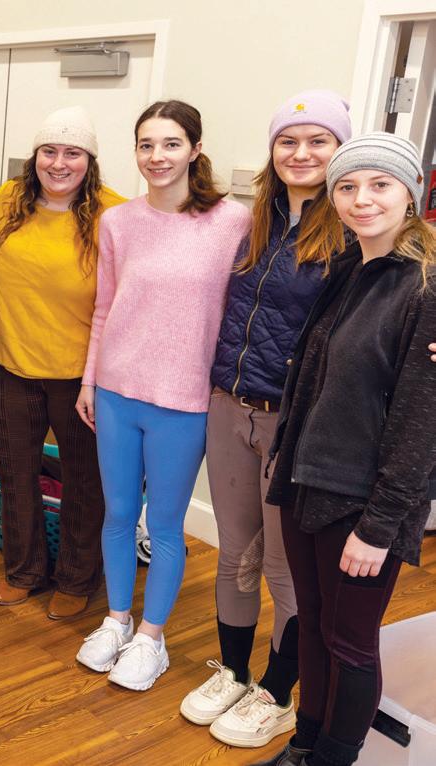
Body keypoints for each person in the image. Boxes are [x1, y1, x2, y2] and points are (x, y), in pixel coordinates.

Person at [257, 134, 436, 766]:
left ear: (411, 194)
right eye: (348, 186)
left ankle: (335, 757)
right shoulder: (346, 270)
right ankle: (304, 744)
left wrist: (379, 527)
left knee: (350, 642)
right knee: (312, 626)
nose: (362, 199)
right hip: (305, 480)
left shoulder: (425, 289)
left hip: (362, 502)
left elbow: (420, 425)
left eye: (380, 184)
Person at [182, 91, 351, 748]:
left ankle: (279, 694)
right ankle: (234, 672)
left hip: (292, 421)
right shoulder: (254, 220)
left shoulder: (350, 231)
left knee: (284, 569)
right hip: (230, 406)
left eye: (318, 140)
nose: (301, 153)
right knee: (236, 554)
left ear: (340, 149)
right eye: (288, 140)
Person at [74, 100, 251, 691]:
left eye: (171, 143)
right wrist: (89, 380)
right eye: (146, 144)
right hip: (117, 391)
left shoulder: (232, 222)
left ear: (195, 150)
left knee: (166, 524)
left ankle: (152, 638)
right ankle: (117, 620)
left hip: (184, 400)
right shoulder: (117, 222)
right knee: (119, 513)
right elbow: (104, 308)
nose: (157, 156)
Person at [0, 106, 126, 621]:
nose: (59, 163)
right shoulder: (4, 201)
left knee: (86, 480)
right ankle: (24, 570)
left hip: (81, 378)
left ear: (90, 160)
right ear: (35, 156)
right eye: (49, 151)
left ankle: (76, 577)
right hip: (9, 366)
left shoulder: (114, 214)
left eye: (72, 153)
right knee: (16, 472)